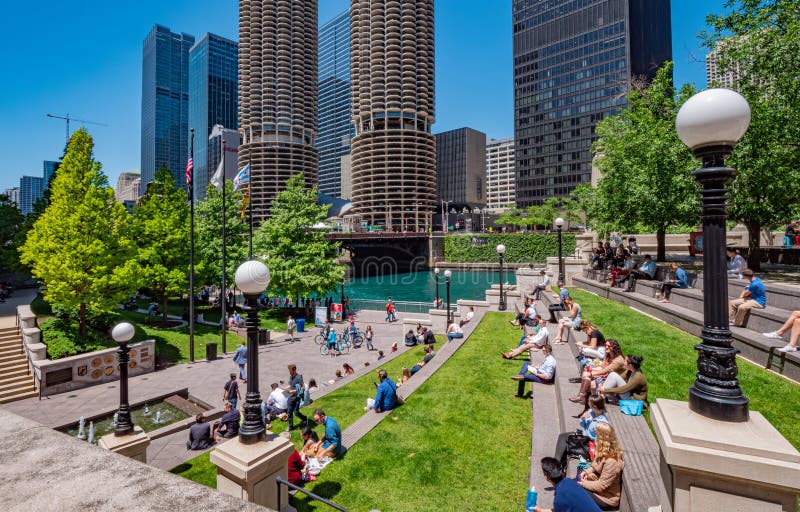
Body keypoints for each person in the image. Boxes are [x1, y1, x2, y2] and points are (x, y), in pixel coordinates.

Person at [578, 423, 624, 510]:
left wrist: (583, 484)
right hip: (598, 487)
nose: (594, 437)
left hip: (606, 498)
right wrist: (586, 472)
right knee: (572, 484)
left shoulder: (612, 461)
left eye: (596, 434)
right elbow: (595, 466)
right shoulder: (603, 449)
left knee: (574, 492)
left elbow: (602, 485)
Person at [532, 457, 602, 512]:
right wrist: (541, 510)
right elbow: (559, 509)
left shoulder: (559, 498)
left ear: (546, 477)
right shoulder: (569, 482)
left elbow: (559, 507)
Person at [570, 340, 626, 407]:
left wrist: (591, 374)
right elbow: (602, 367)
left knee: (589, 383)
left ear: (614, 347)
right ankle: (582, 397)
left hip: (614, 382)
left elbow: (606, 370)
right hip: (607, 376)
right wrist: (591, 370)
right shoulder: (608, 354)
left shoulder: (618, 360)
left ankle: (584, 398)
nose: (606, 347)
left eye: (608, 346)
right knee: (586, 374)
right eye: (605, 345)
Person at [286, 364, 308, 431]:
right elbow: (290, 385)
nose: (289, 372)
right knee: (289, 412)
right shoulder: (291, 376)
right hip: (290, 397)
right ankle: (290, 426)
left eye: (290, 371)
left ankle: (304, 418)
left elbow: (303, 388)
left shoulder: (298, 377)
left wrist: (294, 391)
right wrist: (284, 387)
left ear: (294, 370)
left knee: (296, 412)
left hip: (297, 397)